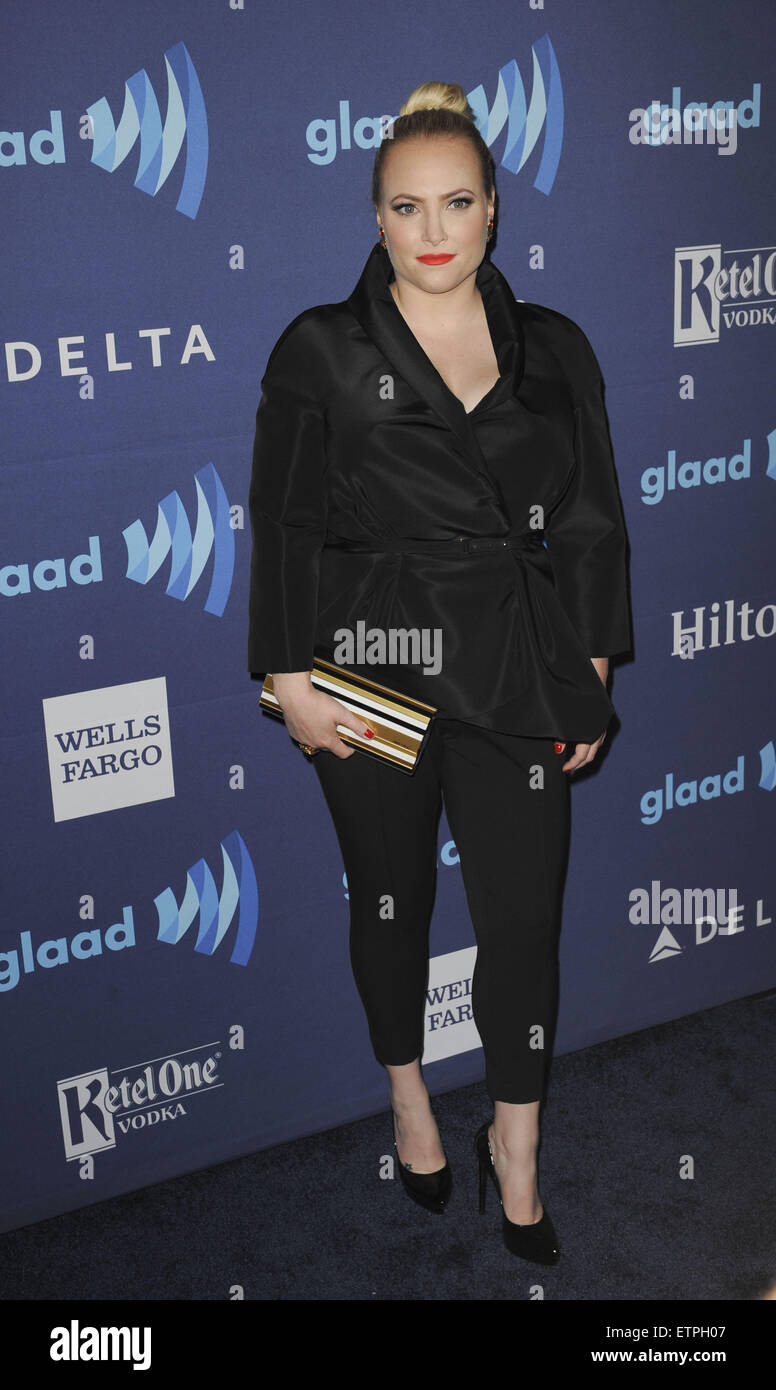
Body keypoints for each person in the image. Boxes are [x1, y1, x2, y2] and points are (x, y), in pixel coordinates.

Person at [248, 80, 632, 1265]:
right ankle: (409, 1096)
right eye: (404, 206)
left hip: (517, 663)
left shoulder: (555, 346)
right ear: (373, 218)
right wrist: (285, 676)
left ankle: (513, 1142)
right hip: (371, 661)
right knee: (389, 897)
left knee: (521, 919)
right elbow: (282, 525)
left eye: (454, 201)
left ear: (493, 208)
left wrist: (592, 664)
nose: (430, 231)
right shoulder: (319, 346)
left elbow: (588, 521)